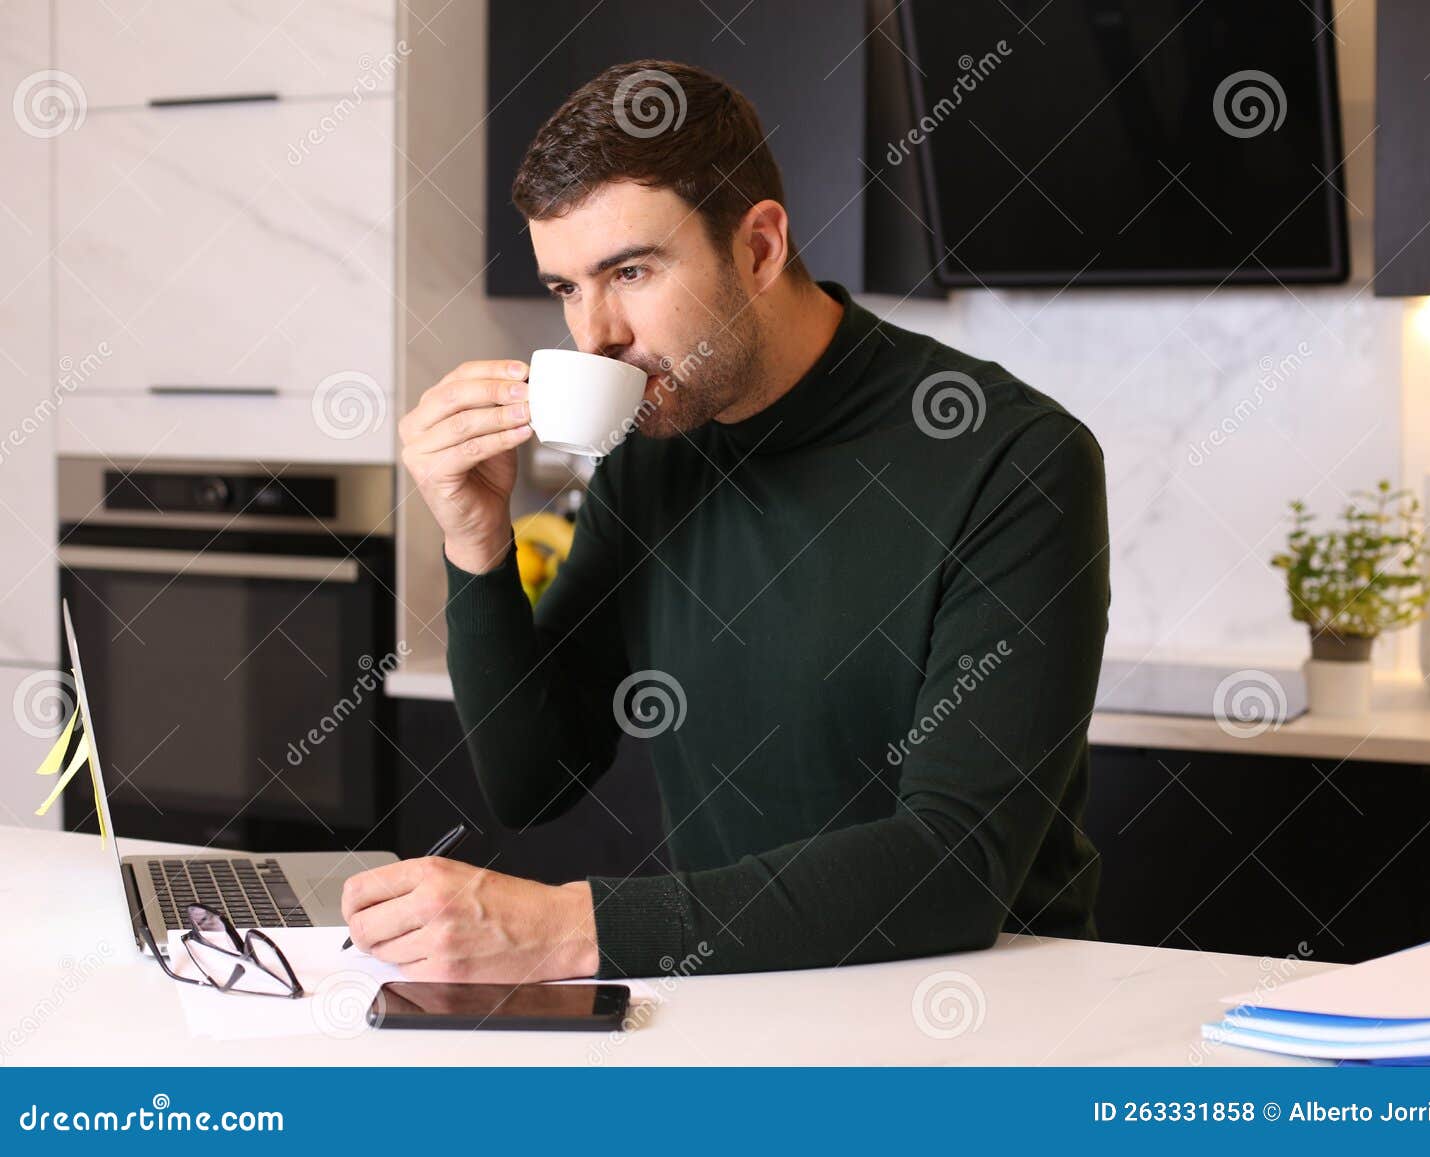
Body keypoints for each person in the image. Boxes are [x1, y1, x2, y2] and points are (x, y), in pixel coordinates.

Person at [342, 59, 1111, 983]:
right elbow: (533, 780)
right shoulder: (657, 448)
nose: (596, 334)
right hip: (739, 995)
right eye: (566, 288)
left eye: (629, 270)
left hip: (987, 1011)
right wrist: (476, 543)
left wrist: (566, 926)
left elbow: (957, 865)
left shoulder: (1017, 459)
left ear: (759, 247)